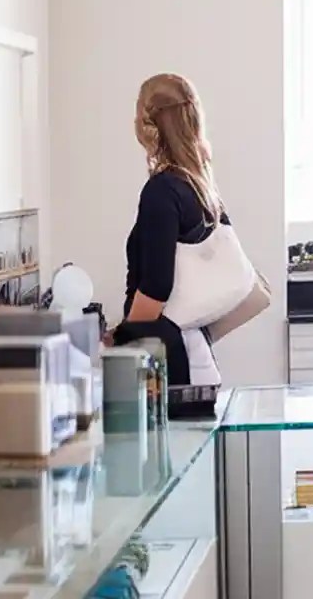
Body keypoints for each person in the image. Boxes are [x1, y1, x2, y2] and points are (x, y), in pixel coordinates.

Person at [112, 73, 227, 391]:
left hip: (169, 361)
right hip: (195, 353)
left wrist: (120, 336)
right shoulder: (201, 186)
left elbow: (156, 288)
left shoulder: (161, 190)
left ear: (148, 123)